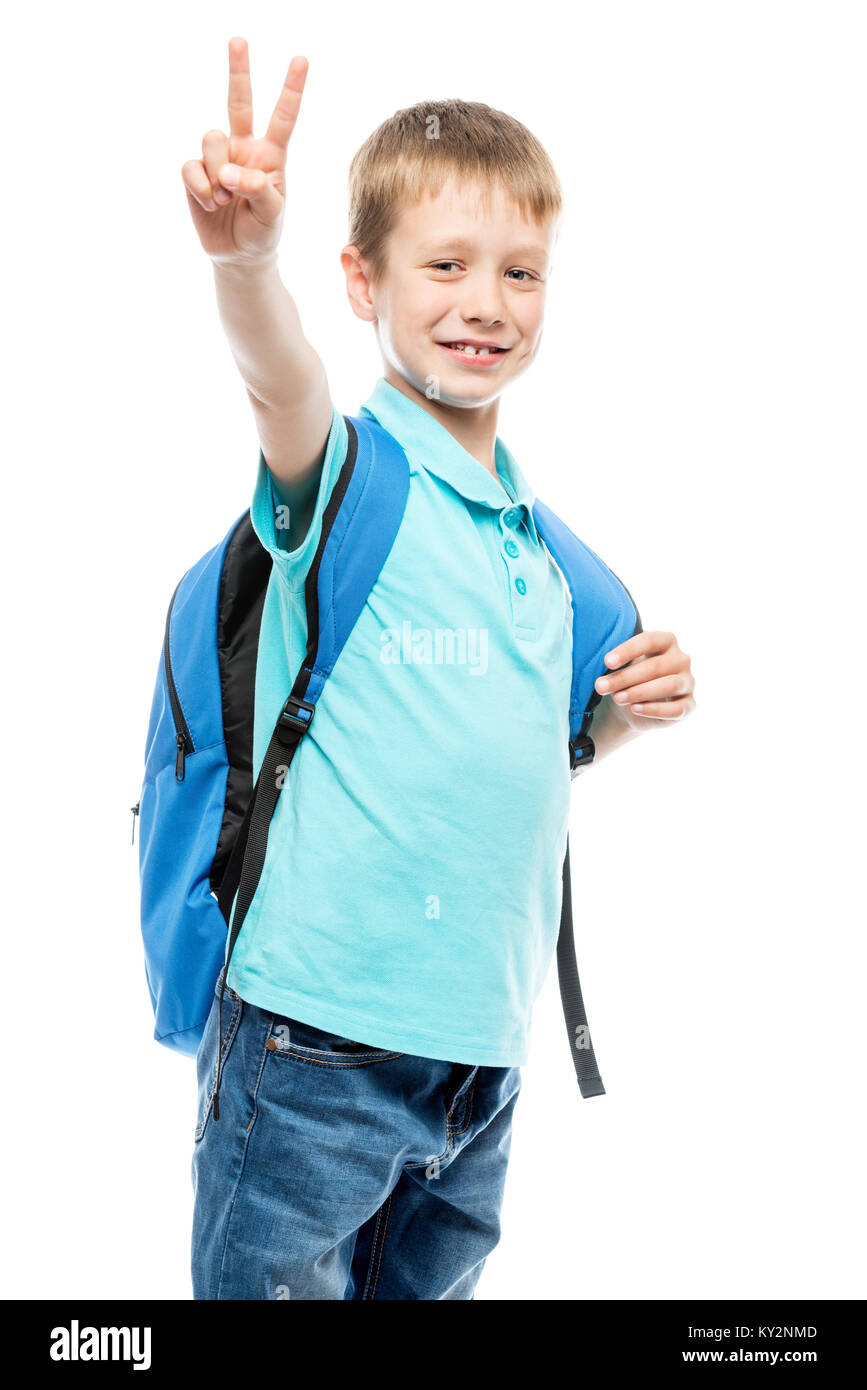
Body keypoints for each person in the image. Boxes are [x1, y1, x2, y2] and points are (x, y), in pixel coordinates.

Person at [183, 36, 696, 1301]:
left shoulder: (538, 542)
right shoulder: (351, 472)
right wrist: (247, 262)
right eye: (447, 265)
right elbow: (277, 378)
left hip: (477, 1056)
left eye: (522, 272)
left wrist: (622, 712)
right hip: (315, 1043)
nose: (488, 303)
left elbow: (544, 749)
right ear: (362, 280)